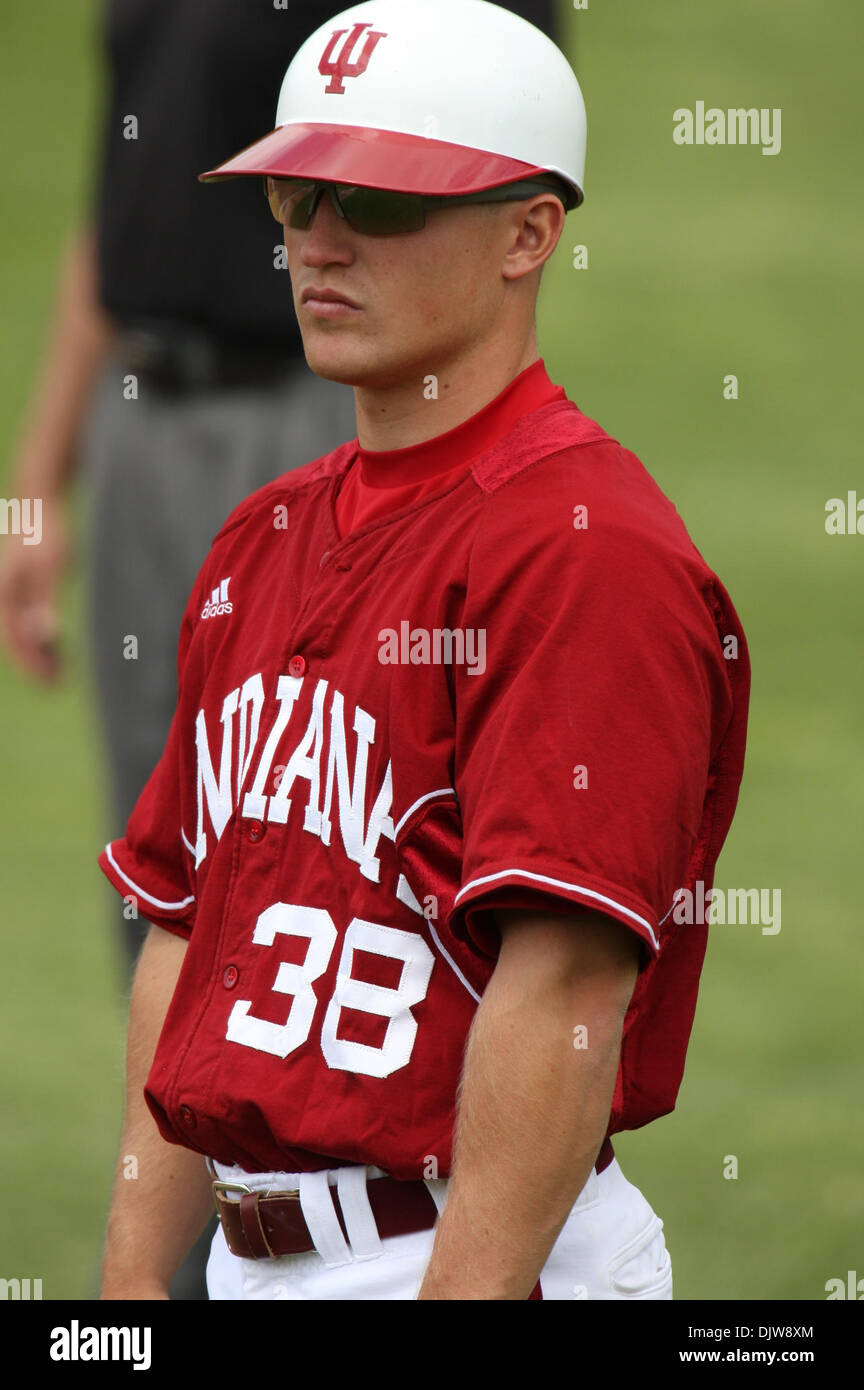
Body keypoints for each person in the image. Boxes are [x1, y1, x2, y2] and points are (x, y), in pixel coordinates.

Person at [98, 0, 750, 1301]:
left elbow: (563, 989)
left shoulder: (581, 550)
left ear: (529, 232)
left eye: (382, 203)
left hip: (464, 1256)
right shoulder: (260, 540)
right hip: (247, 1260)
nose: (321, 241)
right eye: (295, 195)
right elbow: (182, 943)